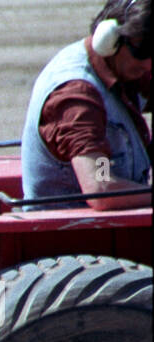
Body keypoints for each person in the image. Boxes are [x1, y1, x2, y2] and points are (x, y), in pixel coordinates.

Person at [21, 0, 152, 210]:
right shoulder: (79, 98)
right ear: (109, 39)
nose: (148, 64)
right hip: (73, 237)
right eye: (143, 51)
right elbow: (100, 188)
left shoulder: (123, 67)